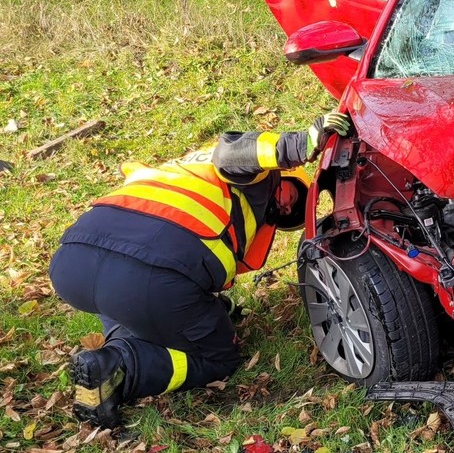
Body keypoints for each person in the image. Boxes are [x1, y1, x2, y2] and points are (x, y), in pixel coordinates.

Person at [49, 112, 352, 429]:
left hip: (74, 264)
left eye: (289, 213)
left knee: (132, 304)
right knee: (219, 358)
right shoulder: (251, 177)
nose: (286, 207)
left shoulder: (171, 173)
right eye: (291, 195)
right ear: (278, 176)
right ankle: (122, 365)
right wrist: (302, 144)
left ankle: (105, 363)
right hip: (149, 275)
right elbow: (233, 150)